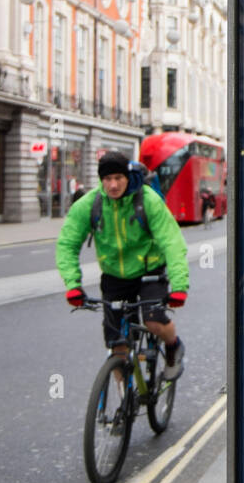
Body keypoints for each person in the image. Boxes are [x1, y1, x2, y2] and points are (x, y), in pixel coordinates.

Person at [56, 151, 189, 380]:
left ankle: (173, 346)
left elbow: (173, 243)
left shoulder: (147, 200)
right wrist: (73, 285)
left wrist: (179, 287)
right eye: (107, 179)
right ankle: (124, 402)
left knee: (154, 321)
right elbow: (67, 244)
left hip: (150, 273)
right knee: (117, 345)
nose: (113, 185)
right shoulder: (91, 204)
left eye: (118, 178)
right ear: (101, 180)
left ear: (127, 177)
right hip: (115, 276)